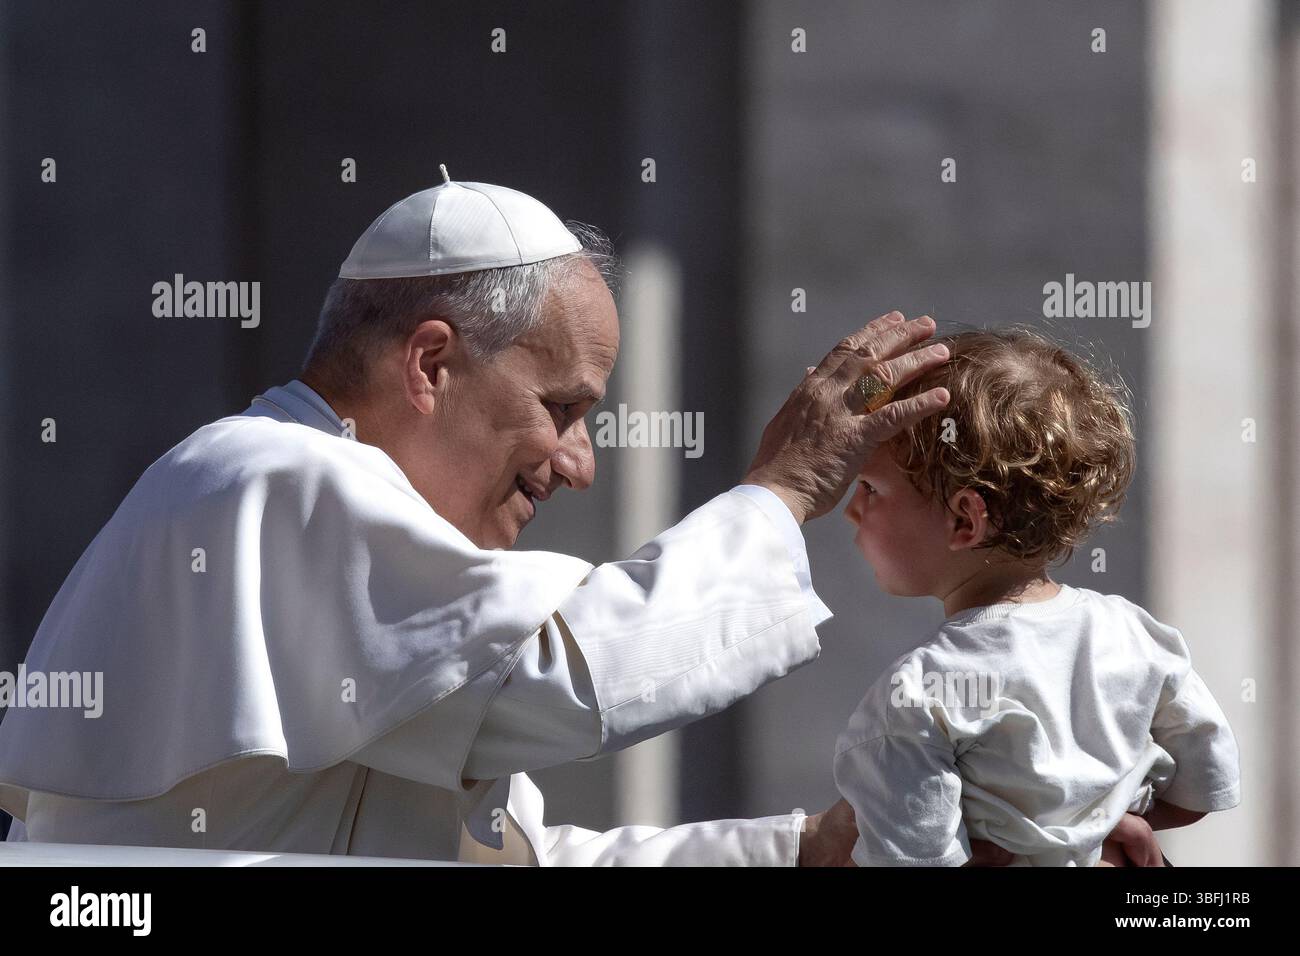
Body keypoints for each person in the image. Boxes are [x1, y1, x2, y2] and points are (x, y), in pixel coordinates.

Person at [0, 176, 1160, 865]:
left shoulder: (361, 544)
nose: (578, 461)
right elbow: (566, 671)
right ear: (434, 364)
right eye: (562, 407)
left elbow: (526, 860)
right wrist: (783, 491)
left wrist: (811, 849)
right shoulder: (267, 478)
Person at [833, 328, 1240, 866]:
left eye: (870, 489)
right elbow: (1204, 787)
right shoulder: (1134, 635)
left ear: (964, 518)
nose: (850, 510)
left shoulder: (917, 697)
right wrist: (1099, 828)